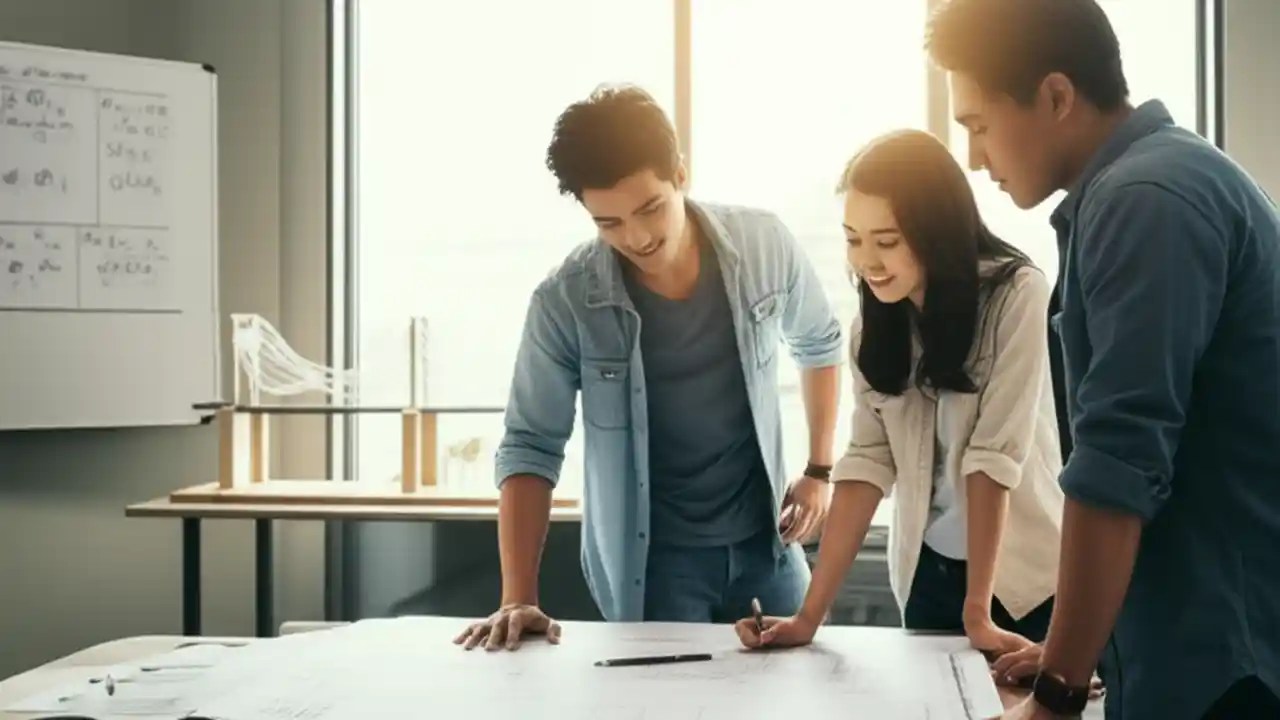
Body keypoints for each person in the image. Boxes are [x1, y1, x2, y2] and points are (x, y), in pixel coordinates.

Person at [925, 1, 1280, 719]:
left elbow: (1117, 466)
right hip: (1195, 647)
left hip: (1226, 663)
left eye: (979, 125)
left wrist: (1055, 695)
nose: (973, 156)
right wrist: (1066, 652)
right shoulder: (1151, 182)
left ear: (1057, 96)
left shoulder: (1145, 199)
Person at [452, 84, 844, 651]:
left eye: (650, 208)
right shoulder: (564, 301)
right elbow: (530, 445)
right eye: (608, 222)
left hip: (769, 551)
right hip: (656, 568)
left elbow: (819, 342)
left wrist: (820, 470)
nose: (636, 238)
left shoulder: (764, 245)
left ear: (680, 174)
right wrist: (519, 597)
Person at [734, 129, 1066, 658]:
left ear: (935, 231)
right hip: (926, 579)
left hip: (1024, 584)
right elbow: (867, 463)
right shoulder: (873, 329)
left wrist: (977, 612)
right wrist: (807, 618)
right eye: (853, 238)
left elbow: (993, 457)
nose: (868, 261)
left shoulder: (1016, 295)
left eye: (886, 241)